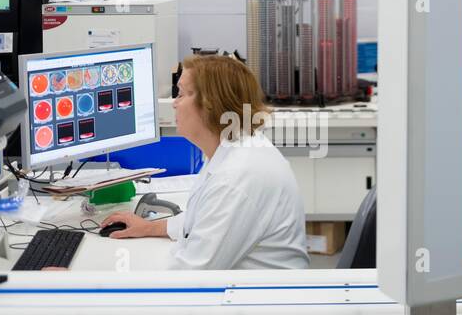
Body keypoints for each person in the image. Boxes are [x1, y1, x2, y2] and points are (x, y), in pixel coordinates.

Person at [99, 54, 309, 270]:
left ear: (210, 105)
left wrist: (88, 281)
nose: (174, 103)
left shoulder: (236, 177)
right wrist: (149, 228)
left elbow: (191, 275)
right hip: (239, 288)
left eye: (181, 94)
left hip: (258, 299)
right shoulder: (232, 146)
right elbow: (203, 220)